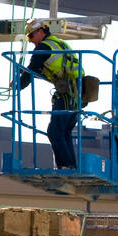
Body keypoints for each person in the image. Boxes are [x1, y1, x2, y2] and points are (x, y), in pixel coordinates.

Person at [17, 18, 82, 169]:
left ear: (40, 32)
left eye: (31, 36)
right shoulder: (58, 43)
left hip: (67, 91)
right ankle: (70, 166)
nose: (31, 41)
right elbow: (44, 68)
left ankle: (67, 167)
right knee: (64, 132)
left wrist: (17, 85)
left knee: (55, 132)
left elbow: (32, 70)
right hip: (78, 91)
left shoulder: (43, 47)